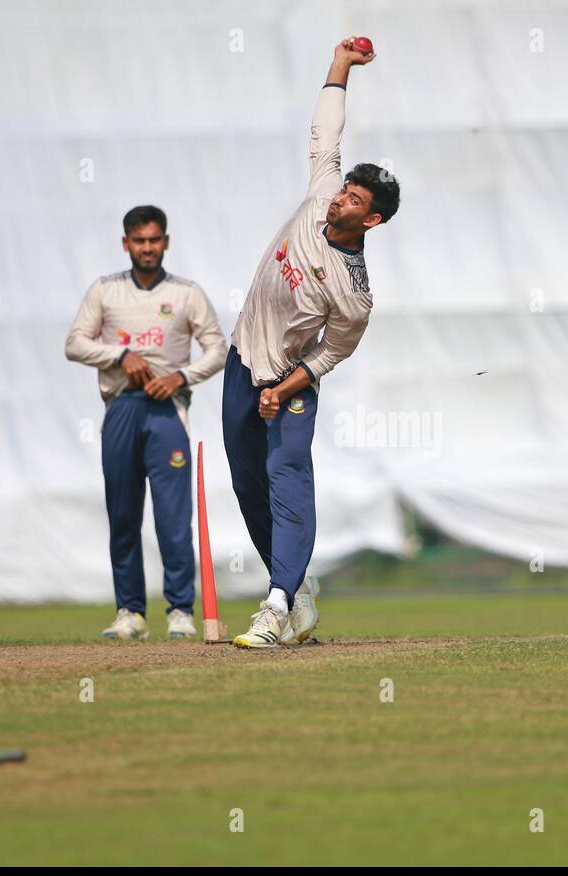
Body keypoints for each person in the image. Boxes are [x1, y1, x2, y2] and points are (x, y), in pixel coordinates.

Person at [224, 39, 401, 648]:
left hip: (290, 378)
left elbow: (332, 352)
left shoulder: (355, 291)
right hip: (242, 357)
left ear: (370, 220)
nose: (340, 199)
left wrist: (286, 387)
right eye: (344, 189)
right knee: (247, 481)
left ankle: (275, 607)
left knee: (287, 472)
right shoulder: (322, 190)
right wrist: (341, 66)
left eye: (354, 199)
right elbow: (324, 131)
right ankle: (296, 589)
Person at [66, 206, 227, 640]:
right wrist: (120, 355)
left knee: (173, 518)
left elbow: (218, 349)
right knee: (123, 513)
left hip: (167, 410)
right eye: (139, 241)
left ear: (166, 242)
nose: (148, 248)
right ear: (126, 244)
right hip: (121, 406)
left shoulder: (186, 293)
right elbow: (75, 343)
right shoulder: (105, 291)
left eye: (155, 240)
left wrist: (180, 376)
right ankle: (130, 612)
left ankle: (179, 611)